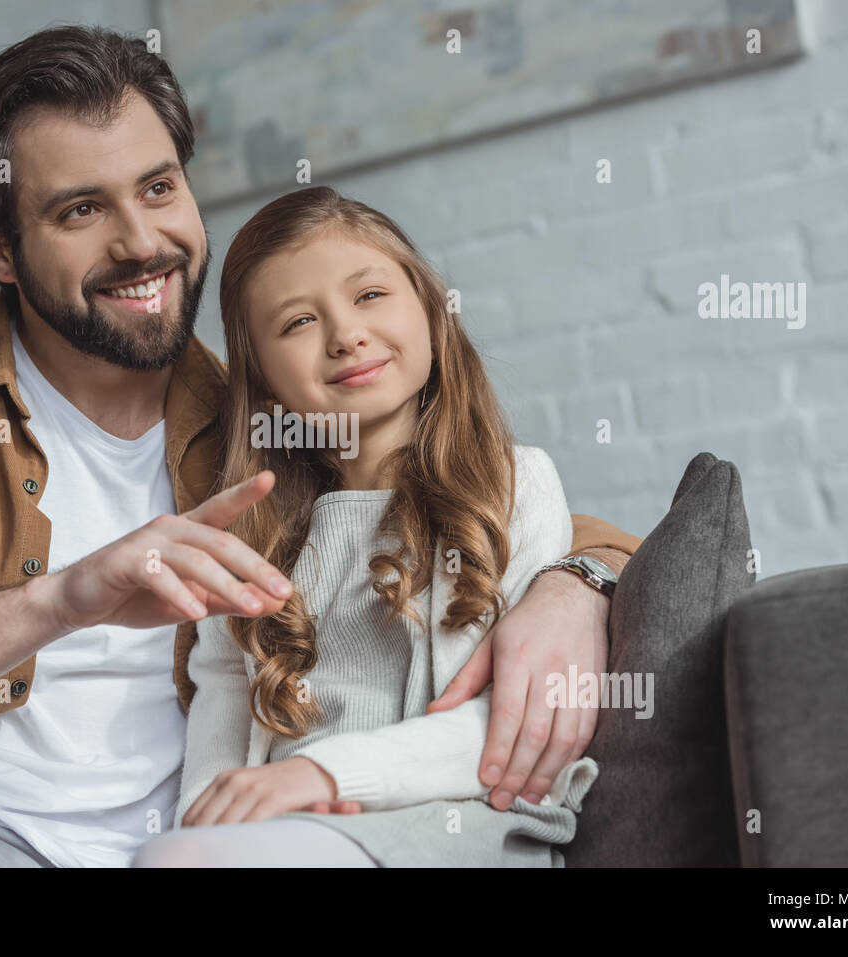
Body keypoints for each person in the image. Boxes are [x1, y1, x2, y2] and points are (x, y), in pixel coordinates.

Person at [0, 26, 639, 868]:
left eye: (158, 187)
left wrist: (577, 585)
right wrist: (61, 599)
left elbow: (461, 493)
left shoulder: (275, 428)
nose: (141, 241)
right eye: (81, 210)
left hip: (154, 847)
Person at [133, 188, 599, 868]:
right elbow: (219, 734)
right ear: (263, 384)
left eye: (371, 295)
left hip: (461, 821)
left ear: (434, 315)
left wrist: (322, 774)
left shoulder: (515, 484)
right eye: (297, 322)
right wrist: (209, 827)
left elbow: (512, 722)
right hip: (288, 831)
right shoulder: (248, 543)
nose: (345, 334)